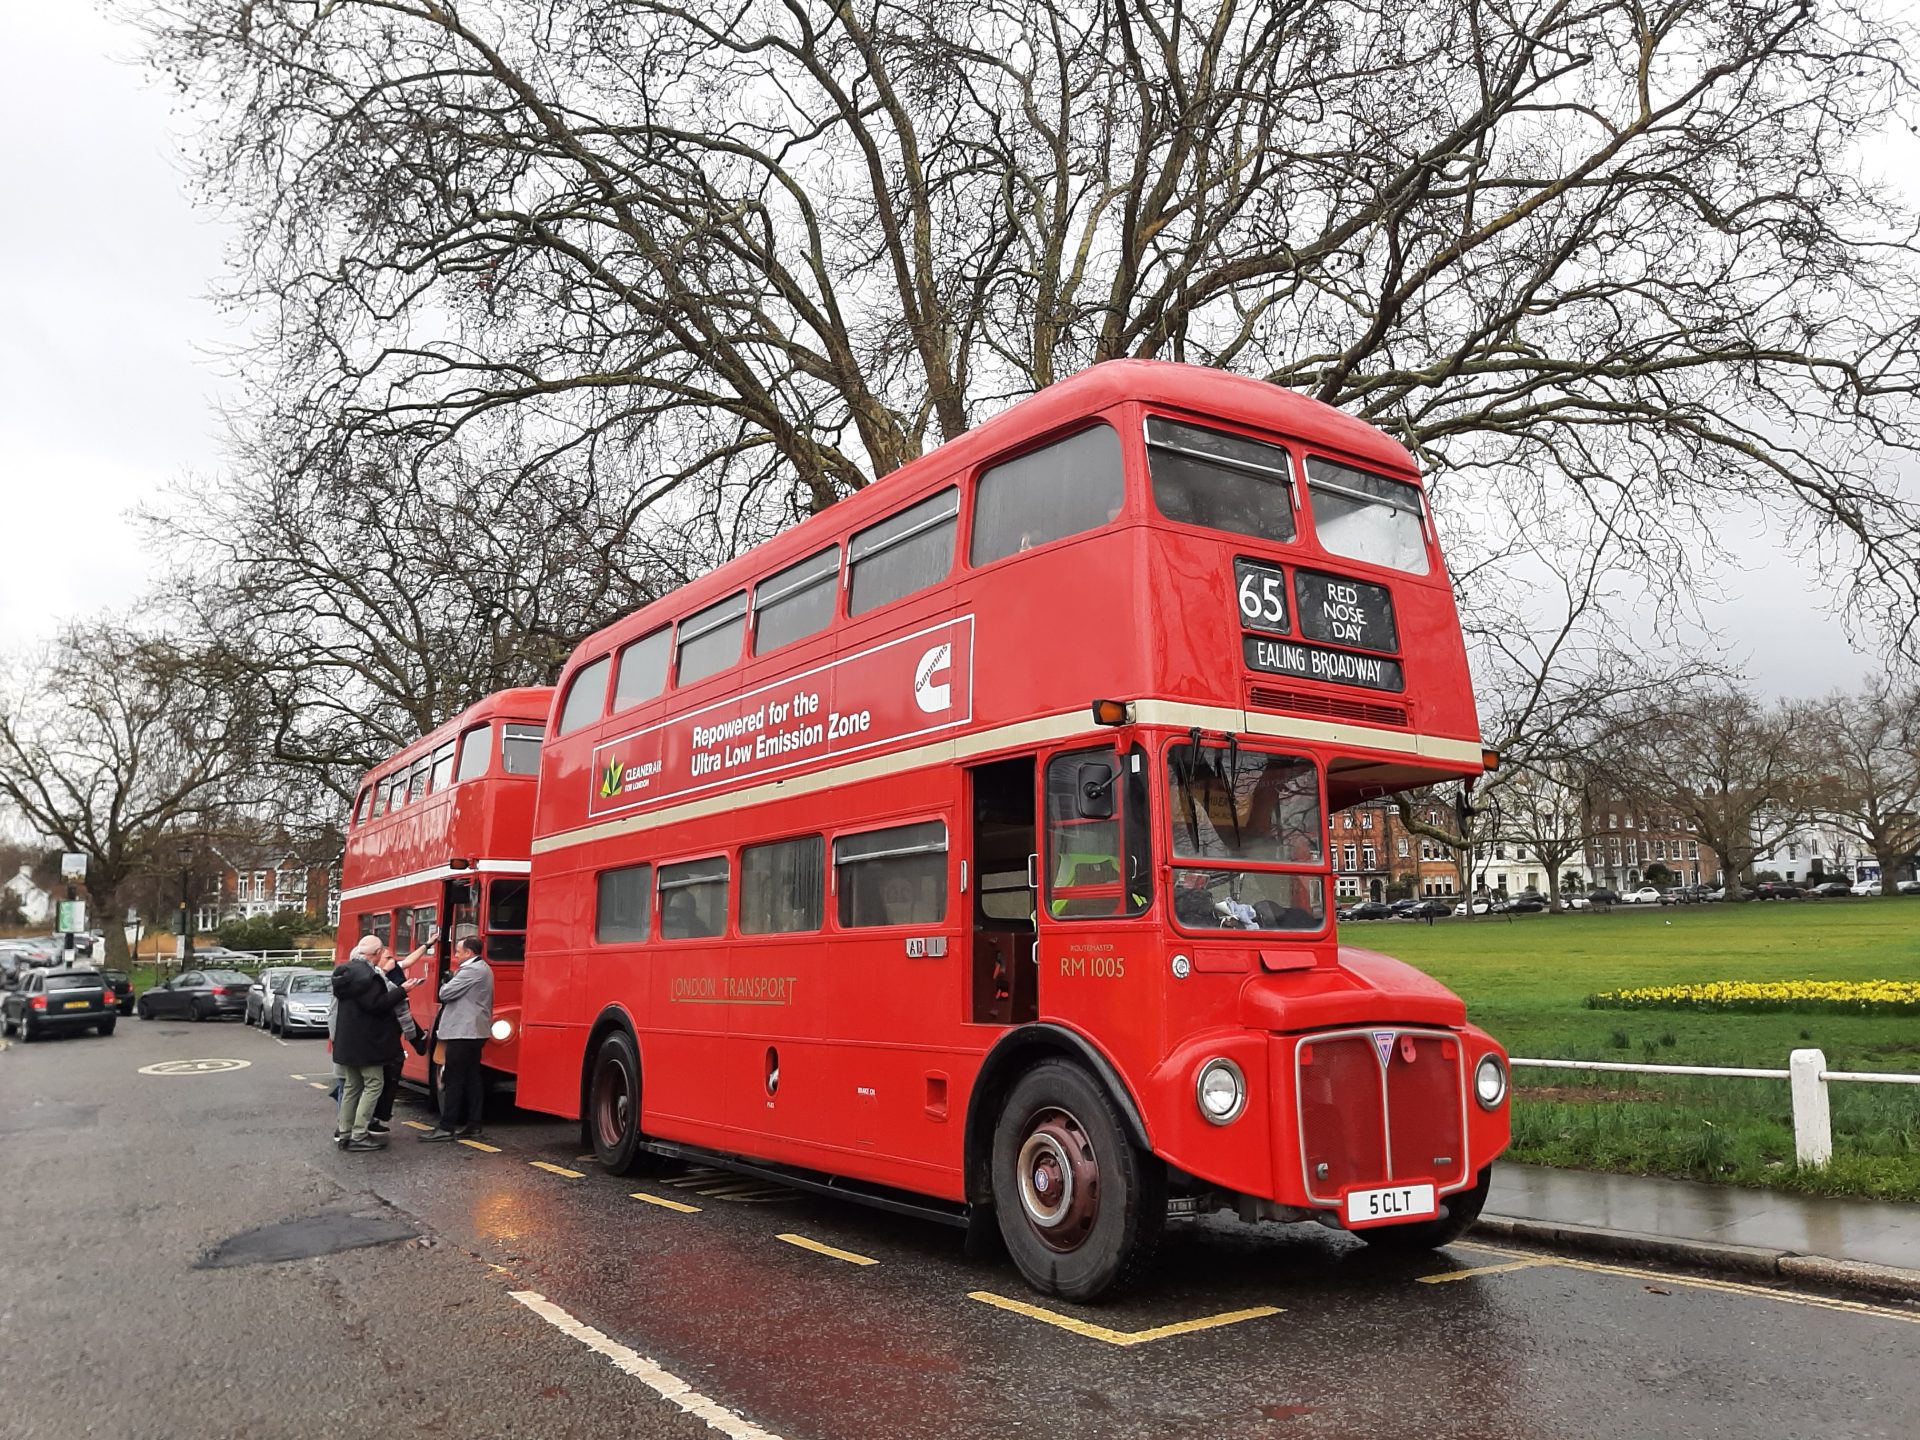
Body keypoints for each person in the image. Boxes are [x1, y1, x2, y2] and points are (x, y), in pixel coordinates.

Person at [331, 936, 405, 1151]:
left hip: (346, 1043)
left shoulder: (344, 972)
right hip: (368, 1043)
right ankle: (359, 1134)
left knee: (352, 1086)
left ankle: (344, 1132)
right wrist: (402, 991)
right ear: (379, 952)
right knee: (374, 1084)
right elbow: (377, 1005)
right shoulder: (370, 977)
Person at [418, 935, 494, 1142]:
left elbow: (445, 993)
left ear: (469, 953)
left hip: (464, 1032)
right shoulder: (483, 968)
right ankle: (474, 1124)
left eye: (458, 951)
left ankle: (447, 1126)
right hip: (473, 1032)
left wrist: (447, 981)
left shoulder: (471, 970)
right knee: (471, 1078)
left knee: (454, 1078)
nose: (456, 955)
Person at [367, 942, 431, 1136]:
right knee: (378, 1079)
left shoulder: (393, 969)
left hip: (397, 1023)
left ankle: (375, 1118)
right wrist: (402, 990)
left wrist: (428, 944)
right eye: (388, 958)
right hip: (387, 1028)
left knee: (389, 1074)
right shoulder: (377, 979)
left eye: (392, 957)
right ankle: (368, 1120)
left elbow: (411, 959)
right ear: (378, 960)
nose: (393, 960)